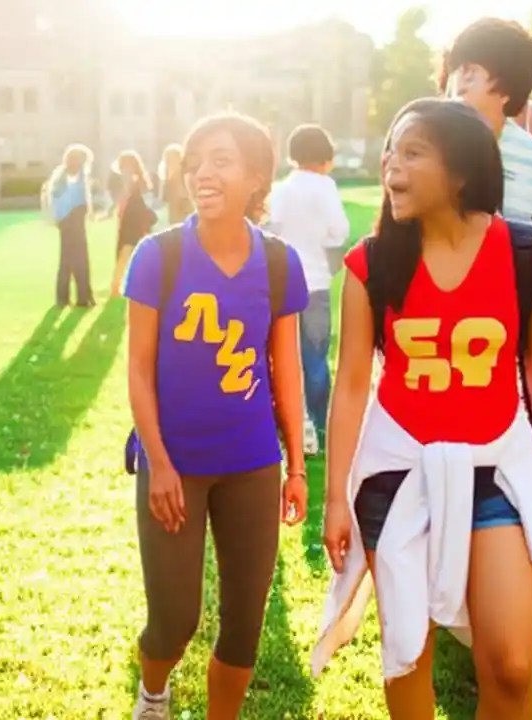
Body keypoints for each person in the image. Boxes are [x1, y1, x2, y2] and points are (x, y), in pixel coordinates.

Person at [314, 98, 532, 720]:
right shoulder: (372, 260)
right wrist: (336, 496)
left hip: (497, 470)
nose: (392, 166)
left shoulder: (528, 255)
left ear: (461, 171)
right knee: (408, 656)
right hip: (397, 471)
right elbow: (353, 382)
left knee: (512, 668)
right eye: (391, 152)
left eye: (413, 152)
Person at [123, 112, 310, 720]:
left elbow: (287, 372)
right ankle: (154, 692)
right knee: (174, 620)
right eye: (197, 161)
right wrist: (160, 461)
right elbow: (139, 371)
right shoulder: (159, 255)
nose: (203, 172)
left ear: (257, 178)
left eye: (222, 160)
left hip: (252, 462)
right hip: (174, 461)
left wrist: (297, 468)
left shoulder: (280, 264)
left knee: (245, 622)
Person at [440, 18, 532, 343]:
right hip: (419, 352)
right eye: (458, 68)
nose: (460, 79)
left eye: (473, 69)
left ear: (507, 87)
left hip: (502, 350)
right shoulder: (416, 155)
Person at [266, 123, 350, 455]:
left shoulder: (282, 189)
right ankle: (316, 424)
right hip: (314, 282)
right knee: (315, 358)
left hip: (281, 283)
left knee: (282, 357)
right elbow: (339, 232)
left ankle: (289, 425)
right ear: (326, 158)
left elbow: (271, 229)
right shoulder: (324, 186)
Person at [47, 143, 95, 307]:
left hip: (77, 219)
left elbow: (85, 197)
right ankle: (64, 297)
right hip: (67, 221)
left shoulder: (81, 175)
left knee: (80, 259)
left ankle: (84, 296)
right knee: (68, 260)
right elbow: (55, 199)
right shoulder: (61, 176)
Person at [111, 150, 157, 297]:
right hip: (133, 221)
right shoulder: (138, 180)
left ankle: (117, 287)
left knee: (127, 253)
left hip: (135, 221)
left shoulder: (134, 180)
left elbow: (131, 199)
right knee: (131, 253)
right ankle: (117, 287)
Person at [158, 143, 193, 225]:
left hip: (184, 216)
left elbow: (186, 197)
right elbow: (163, 199)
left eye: (172, 159)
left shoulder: (185, 175)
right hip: (173, 218)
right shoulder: (167, 179)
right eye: (168, 160)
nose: (170, 163)